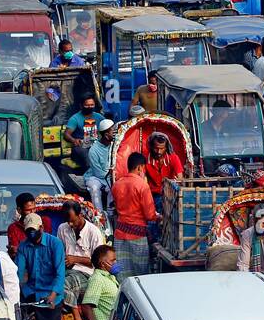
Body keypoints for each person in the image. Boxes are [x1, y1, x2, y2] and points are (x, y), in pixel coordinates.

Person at [16, 212, 66, 320]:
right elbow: (19, 273)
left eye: (33, 231)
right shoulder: (24, 246)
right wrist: (18, 289)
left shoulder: (55, 244)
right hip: (31, 291)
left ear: (41, 229)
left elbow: (60, 273)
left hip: (51, 294)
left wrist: (53, 295)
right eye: (27, 231)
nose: (31, 234)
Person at [113, 152, 156, 281]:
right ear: (139, 167)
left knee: (122, 274)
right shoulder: (142, 185)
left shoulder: (117, 184)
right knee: (140, 275)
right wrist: (157, 217)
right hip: (137, 236)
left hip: (120, 234)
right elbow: (150, 215)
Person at [58, 200, 106, 309]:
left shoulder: (93, 232)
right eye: (67, 221)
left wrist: (76, 259)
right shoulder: (62, 228)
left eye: (72, 221)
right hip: (66, 270)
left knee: (62, 285)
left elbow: (99, 262)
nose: (70, 224)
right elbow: (59, 251)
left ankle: (78, 319)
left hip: (86, 273)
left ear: (80, 215)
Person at [144, 132, 184, 203]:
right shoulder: (146, 158)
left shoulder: (173, 158)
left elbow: (180, 179)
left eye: (162, 148)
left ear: (166, 148)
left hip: (170, 193)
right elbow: (142, 179)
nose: (159, 152)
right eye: (156, 148)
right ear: (151, 147)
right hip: (152, 194)